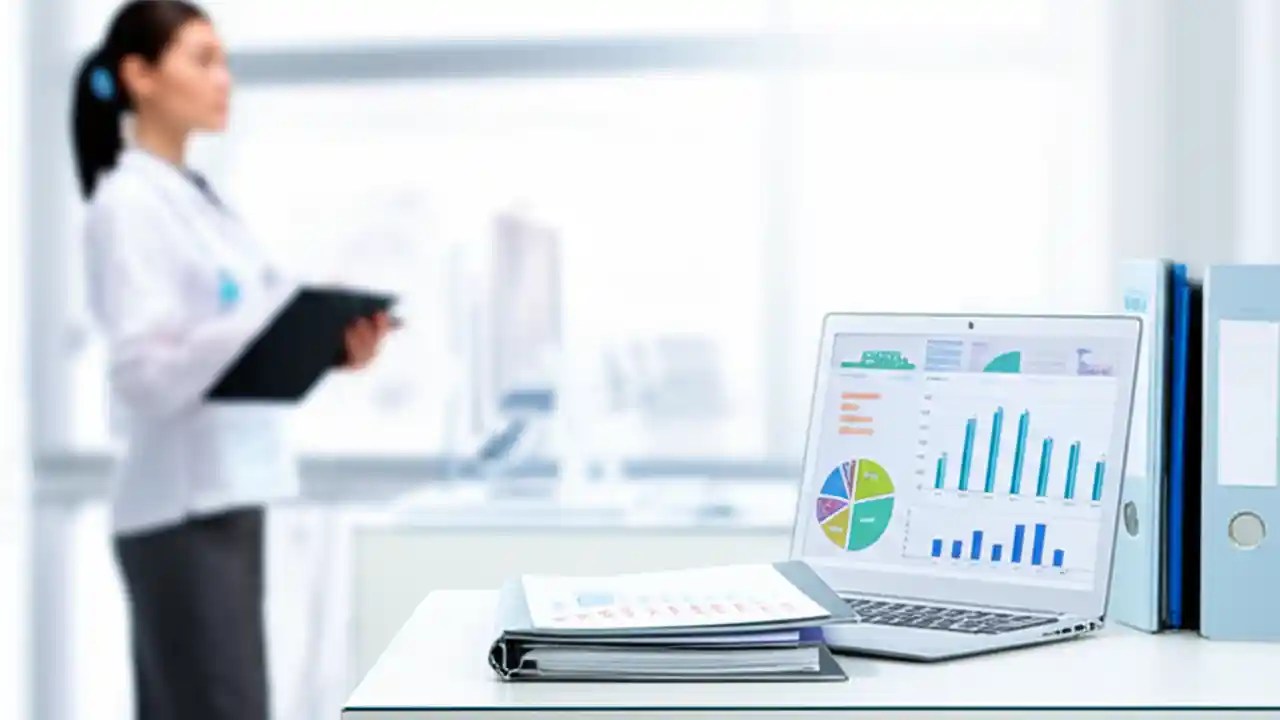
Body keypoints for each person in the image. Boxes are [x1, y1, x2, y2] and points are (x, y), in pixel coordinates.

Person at [72, 2, 392, 718]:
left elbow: (231, 354)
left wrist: (322, 348)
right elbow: (143, 377)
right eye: (201, 59)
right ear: (140, 75)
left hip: (229, 494)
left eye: (225, 60)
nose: (224, 79)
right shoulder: (125, 206)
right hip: (180, 508)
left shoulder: (202, 203)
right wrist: (262, 319)